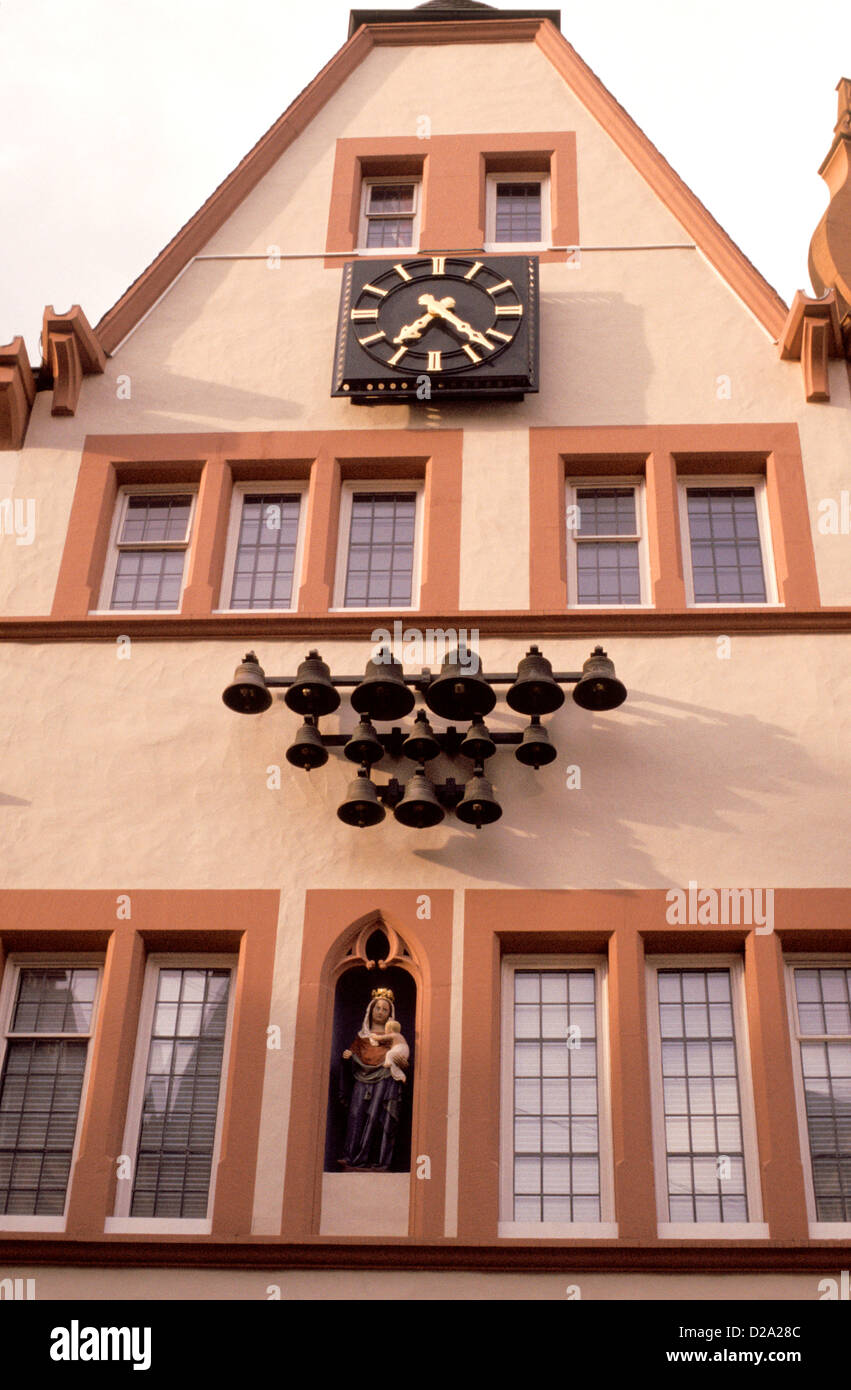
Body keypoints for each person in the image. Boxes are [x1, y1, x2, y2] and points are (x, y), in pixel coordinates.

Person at [339, 987, 408, 1170]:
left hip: (384, 1081)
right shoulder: (361, 1037)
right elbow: (351, 1060)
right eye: (378, 1008)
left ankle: (377, 1159)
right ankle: (352, 1156)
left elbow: (400, 1056)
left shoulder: (392, 1038)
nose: (380, 1012)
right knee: (356, 1115)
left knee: (378, 1118)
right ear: (371, 1010)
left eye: (385, 1009)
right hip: (361, 1081)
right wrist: (347, 1057)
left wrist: (401, 1063)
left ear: (390, 1015)